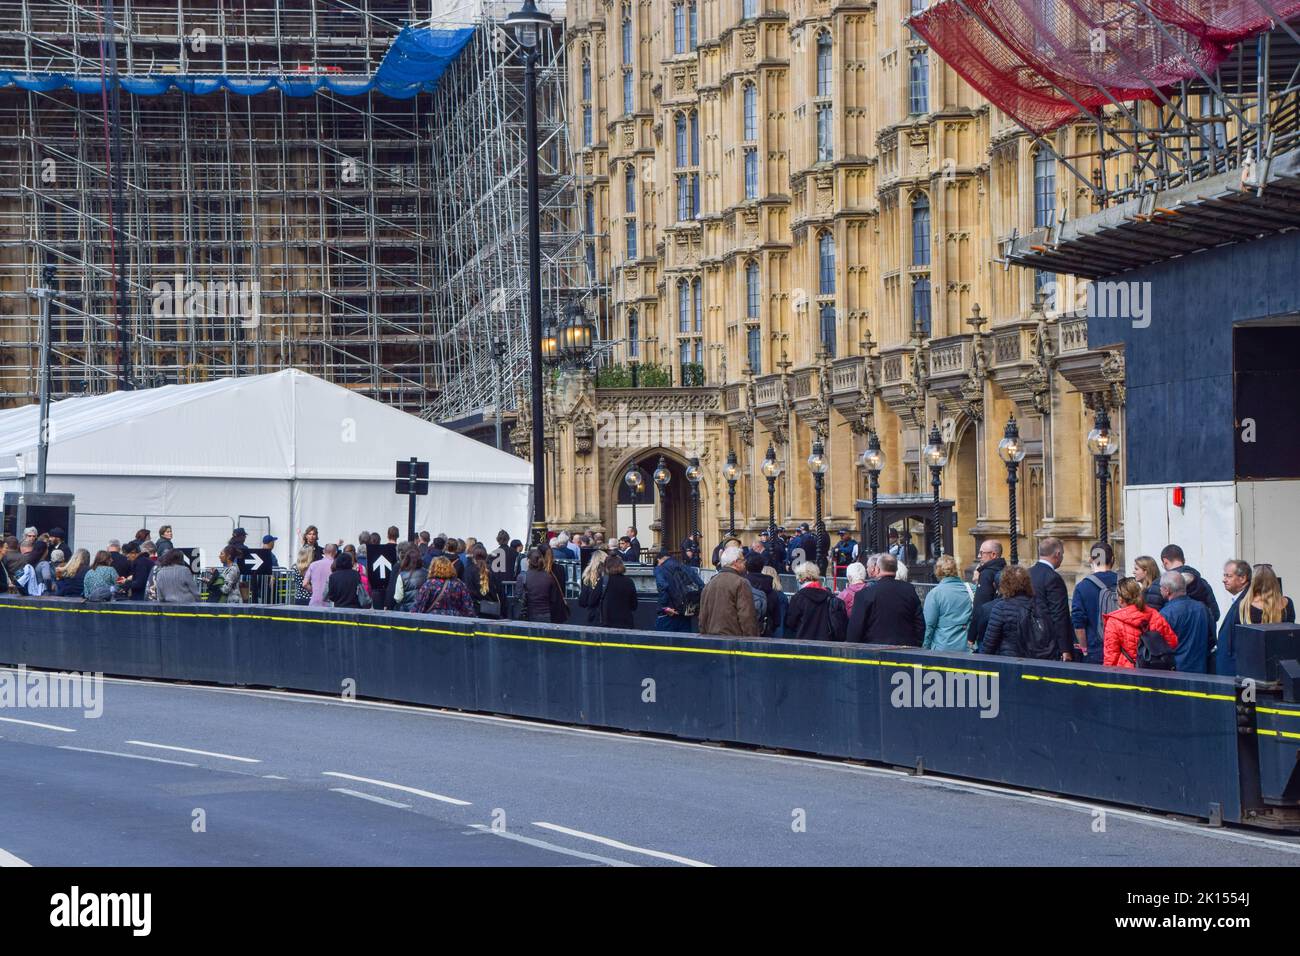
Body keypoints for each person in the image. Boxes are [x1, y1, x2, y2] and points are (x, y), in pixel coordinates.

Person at [846, 553, 924, 645]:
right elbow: (919, 623)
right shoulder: (909, 590)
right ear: (896, 569)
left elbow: (855, 630)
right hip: (905, 650)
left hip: (873, 651)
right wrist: (916, 644)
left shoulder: (864, 594)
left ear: (878, 569)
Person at [1102, 577, 1179, 669]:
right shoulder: (1154, 614)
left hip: (1126, 672)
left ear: (1120, 598)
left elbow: (1111, 655)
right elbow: (1172, 642)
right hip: (1154, 670)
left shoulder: (1114, 621)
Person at [1071, 542, 1118, 664]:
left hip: (1096, 648)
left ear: (1091, 560)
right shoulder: (1125, 583)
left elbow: (1078, 623)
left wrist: (1084, 649)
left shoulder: (1082, 587)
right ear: (1112, 559)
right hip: (1122, 649)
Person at [1029, 537, 1075, 660]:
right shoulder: (1053, 578)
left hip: (1029, 638)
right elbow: (1059, 615)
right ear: (1057, 554)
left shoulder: (1028, 573)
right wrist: (1065, 649)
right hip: (1049, 642)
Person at [698, 545, 761, 637]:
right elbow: (747, 617)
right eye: (743, 561)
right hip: (733, 642)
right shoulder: (741, 583)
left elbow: (702, 617)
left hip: (711, 640)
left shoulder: (710, 583)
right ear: (735, 562)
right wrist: (752, 641)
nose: (745, 564)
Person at [1157, 570, 1211, 673]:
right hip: (1201, 670)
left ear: (1167, 590)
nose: (1159, 590)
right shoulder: (1202, 608)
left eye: (1161, 587)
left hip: (1177, 672)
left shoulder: (1165, 614)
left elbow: (1160, 648)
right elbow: (1211, 638)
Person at [783, 560, 848, 642]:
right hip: (825, 641)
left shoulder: (798, 598)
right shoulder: (828, 595)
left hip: (804, 641)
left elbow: (790, 622)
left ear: (801, 578)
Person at [1160, 544, 1220, 628]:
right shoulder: (1203, 583)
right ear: (1183, 560)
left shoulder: (1162, 584)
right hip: (1202, 637)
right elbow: (1215, 614)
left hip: (1175, 637)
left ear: (1165, 562)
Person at [923, 555, 974, 653]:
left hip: (942, 647)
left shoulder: (935, 594)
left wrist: (925, 648)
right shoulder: (971, 589)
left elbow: (929, 625)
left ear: (938, 572)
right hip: (968, 647)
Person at [1215, 560, 1253, 676]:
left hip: (1236, 672)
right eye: (1224, 575)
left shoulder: (1247, 604)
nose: (1224, 579)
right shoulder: (1241, 600)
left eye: (1229, 576)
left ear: (1242, 578)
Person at [967, 539, 1007, 647]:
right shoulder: (1005, 570)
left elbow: (980, 606)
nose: (979, 556)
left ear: (993, 554)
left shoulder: (986, 574)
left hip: (987, 630)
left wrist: (971, 636)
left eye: (982, 553)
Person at [653, 549, 703, 632]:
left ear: (659, 560)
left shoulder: (659, 568)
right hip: (686, 612)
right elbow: (700, 585)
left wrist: (664, 607)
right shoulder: (685, 567)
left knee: (662, 643)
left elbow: (663, 587)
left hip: (669, 613)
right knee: (684, 643)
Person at [410, 556, 476, 617]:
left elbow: (419, 605)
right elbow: (468, 607)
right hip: (455, 621)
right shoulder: (459, 584)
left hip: (433, 621)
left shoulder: (429, 584)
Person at [517, 548, 569, 623]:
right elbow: (553, 598)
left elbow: (518, 597)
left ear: (528, 561)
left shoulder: (522, 577)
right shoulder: (549, 577)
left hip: (528, 615)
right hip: (546, 615)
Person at [463, 544, 505, 618]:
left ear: (473, 557)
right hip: (492, 611)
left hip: (474, 610)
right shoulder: (492, 571)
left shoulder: (468, 571)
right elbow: (500, 592)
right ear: (486, 557)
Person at [598, 553, 639, 628]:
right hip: (626, 622)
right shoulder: (629, 581)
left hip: (608, 622)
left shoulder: (604, 581)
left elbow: (593, 600)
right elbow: (634, 605)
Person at [744, 552, 777, 635]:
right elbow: (777, 620)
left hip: (744, 632)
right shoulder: (772, 590)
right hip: (765, 632)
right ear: (762, 567)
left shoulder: (741, 585)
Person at [394, 548, 430, 614]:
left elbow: (398, 598)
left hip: (406, 610)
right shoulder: (427, 573)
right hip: (423, 609)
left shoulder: (402, 575)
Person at [577, 550, 609, 624]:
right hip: (608, 614)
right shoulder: (609, 574)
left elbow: (582, 601)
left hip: (593, 614)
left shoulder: (588, 576)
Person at [305, 543, 337, 608]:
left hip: (314, 601)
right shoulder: (337, 566)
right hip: (330, 603)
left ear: (323, 551)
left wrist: (315, 591)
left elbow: (305, 584)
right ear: (336, 552)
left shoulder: (313, 564)